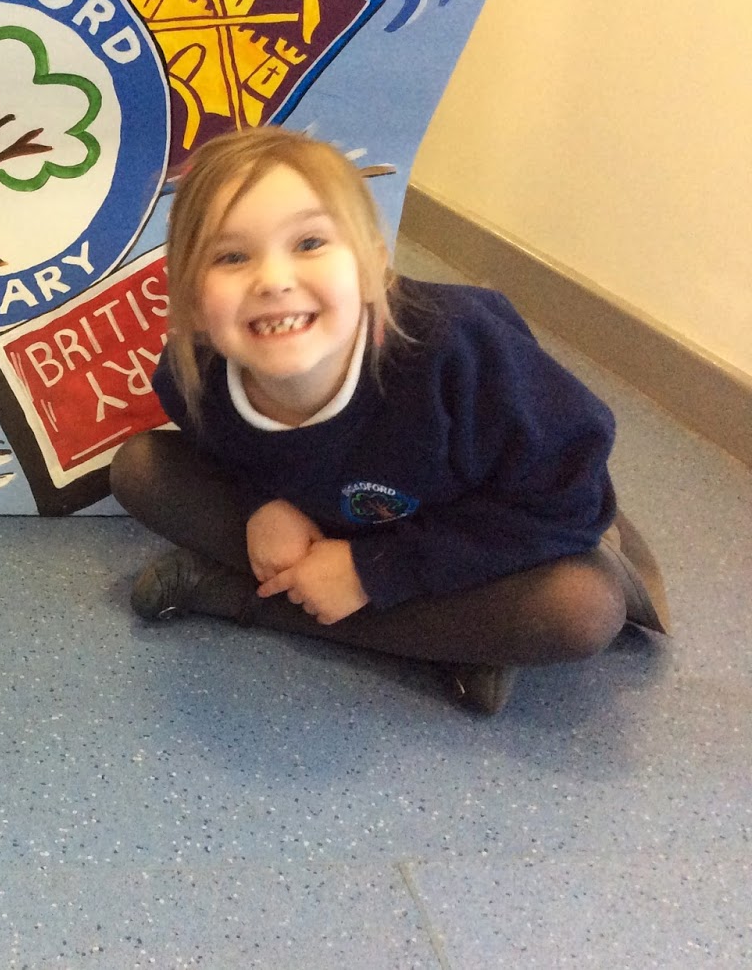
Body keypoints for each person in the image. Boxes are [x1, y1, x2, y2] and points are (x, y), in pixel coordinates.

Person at [110, 128, 667, 714]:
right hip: (334, 514)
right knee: (142, 469)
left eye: (309, 243)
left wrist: (372, 572)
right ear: (192, 302)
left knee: (582, 608)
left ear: (373, 267)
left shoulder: (458, 352)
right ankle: (449, 640)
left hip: (482, 530)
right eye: (231, 256)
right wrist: (262, 502)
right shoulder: (193, 379)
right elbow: (223, 450)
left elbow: (571, 503)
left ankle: (241, 598)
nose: (273, 280)